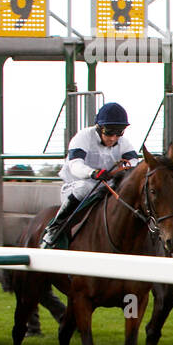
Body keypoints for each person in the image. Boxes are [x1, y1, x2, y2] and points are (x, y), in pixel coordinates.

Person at [40, 102, 139, 249]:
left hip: (105, 185)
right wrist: (92, 173)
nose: (113, 138)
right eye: (109, 132)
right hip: (78, 184)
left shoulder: (123, 143)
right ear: (99, 128)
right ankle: (55, 227)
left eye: (119, 132)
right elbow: (75, 166)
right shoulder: (83, 137)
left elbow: (133, 161)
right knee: (84, 187)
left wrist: (123, 169)